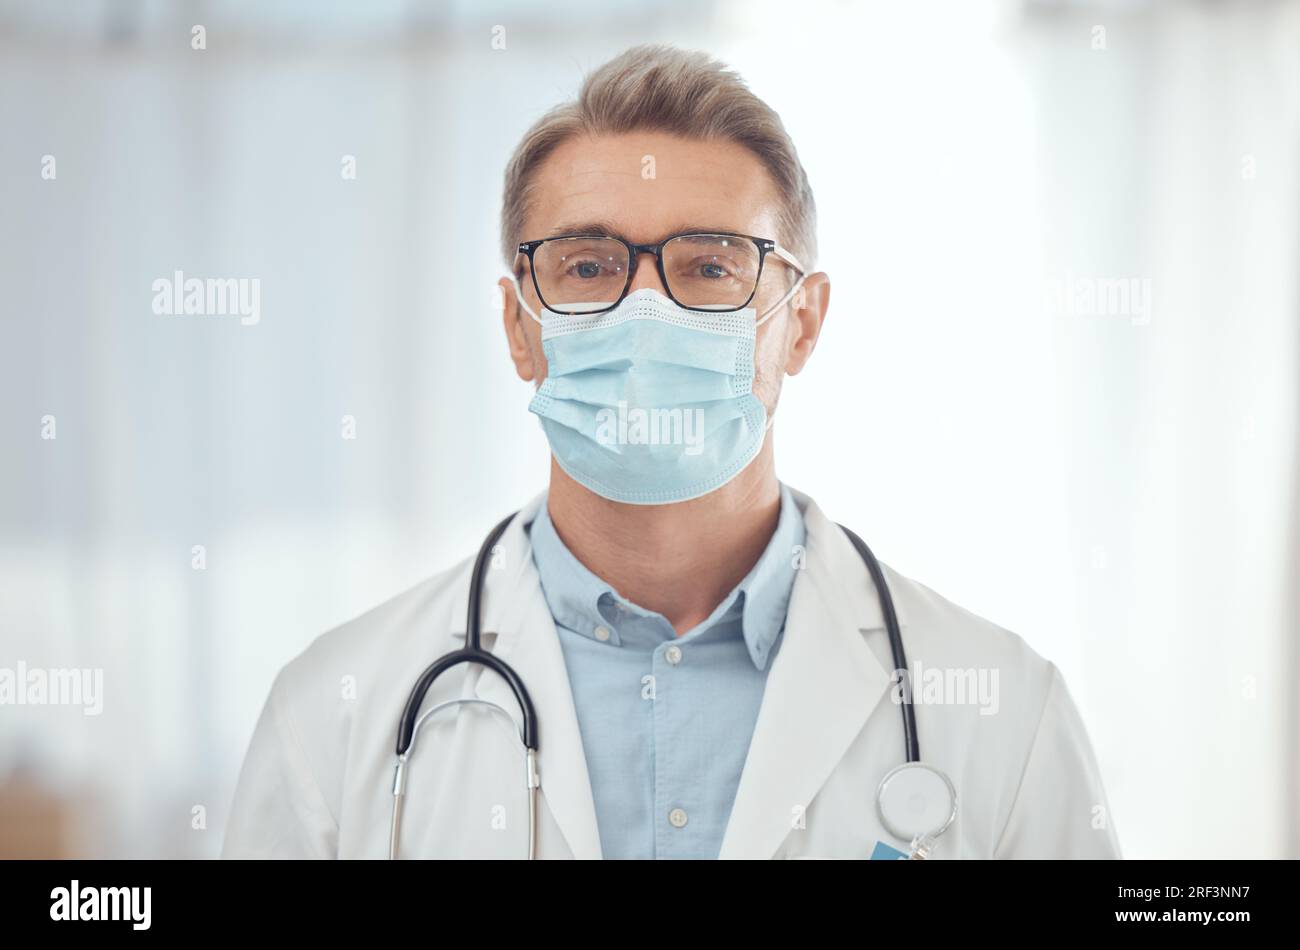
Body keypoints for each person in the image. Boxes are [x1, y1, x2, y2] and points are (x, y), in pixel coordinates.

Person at [222, 44, 1121, 860]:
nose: (645, 310)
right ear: (519, 329)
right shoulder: (332, 717)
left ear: (800, 324)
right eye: (588, 266)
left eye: (711, 265)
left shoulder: (1003, 712)